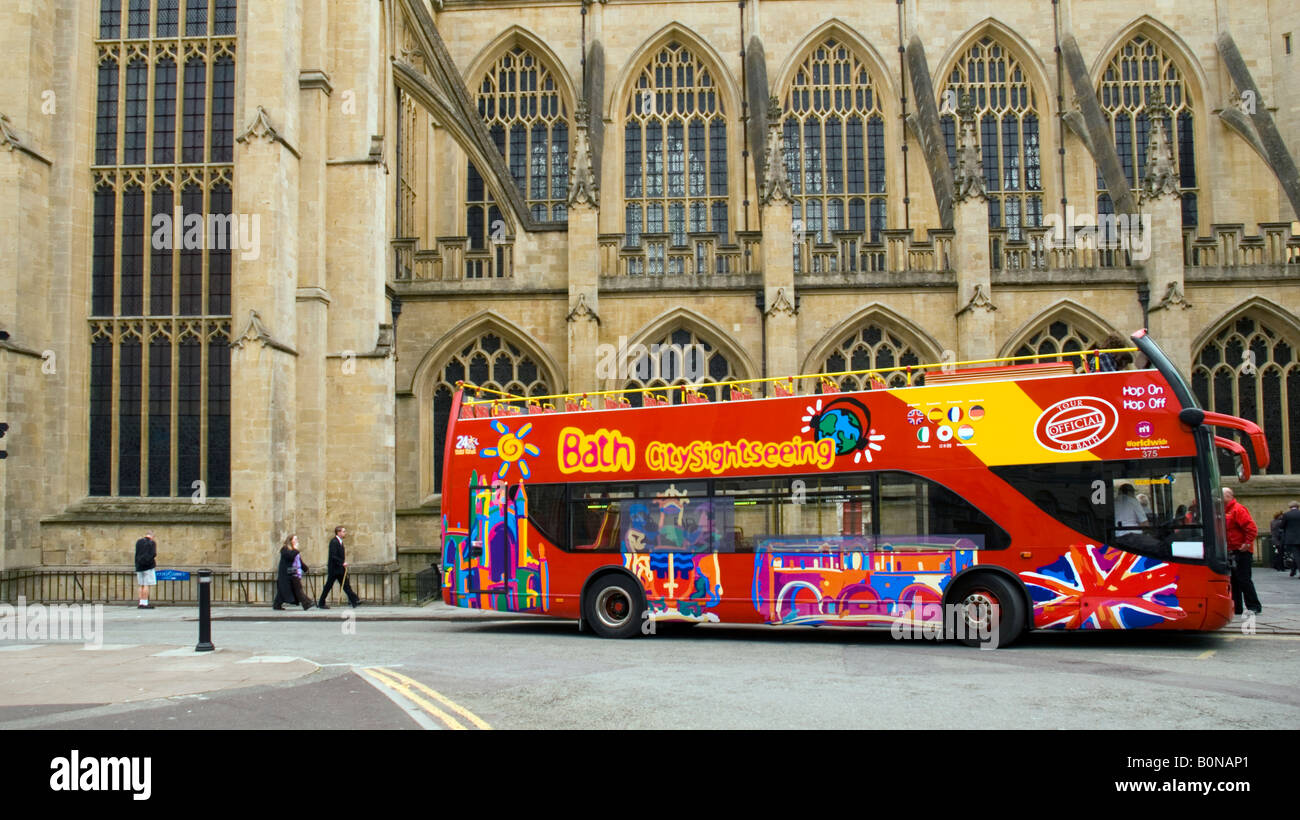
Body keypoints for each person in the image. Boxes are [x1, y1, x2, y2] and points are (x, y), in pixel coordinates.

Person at [1223, 488, 1261, 615]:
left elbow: (1251, 528)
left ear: (1228, 496)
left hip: (1241, 550)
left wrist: (1247, 543)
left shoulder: (1237, 509)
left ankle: (1254, 605)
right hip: (1232, 549)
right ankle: (1237, 607)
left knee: (1244, 578)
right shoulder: (1224, 511)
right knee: (1234, 579)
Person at [318, 525, 360, 609]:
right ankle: (321, 603)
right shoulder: (334, 542)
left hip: (340, 569)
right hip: (334, 569)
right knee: (328, 586)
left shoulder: (340, 542)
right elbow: (333, 556)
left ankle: (354, 601)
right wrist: (342, 563)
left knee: (346, 585)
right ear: (338, 532)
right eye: (343, 531)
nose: (345, 533)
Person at [272, 534, 313, 611]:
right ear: (290, 541)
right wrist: (296, 549)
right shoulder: (284, 549)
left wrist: (305, 568)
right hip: (286, 574)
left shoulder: (294, 550)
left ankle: (277, 604)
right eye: (295, 539)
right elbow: (290, 557)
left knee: (289, 589)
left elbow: (299, 561)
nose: (297, 540)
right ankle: (306, 603)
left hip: (293, 573)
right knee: (296, 589)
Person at [134, 530, 157, 609]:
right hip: (148, 566)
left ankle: (140, 602)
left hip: (139, 566)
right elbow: (153, 554)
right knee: (146, 585)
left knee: (141, 584)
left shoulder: (139, 542)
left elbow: (137, 553)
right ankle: (145, 603)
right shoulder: (152, 543)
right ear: (152, 536)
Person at [1281, 500, 1300, 578]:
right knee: (1297, 555)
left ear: (1290, 507)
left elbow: (1282, 526)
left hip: (1291, 538)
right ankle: (1293, 570)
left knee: (1296, 555)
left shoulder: (1286, 515)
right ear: (1298, 506)